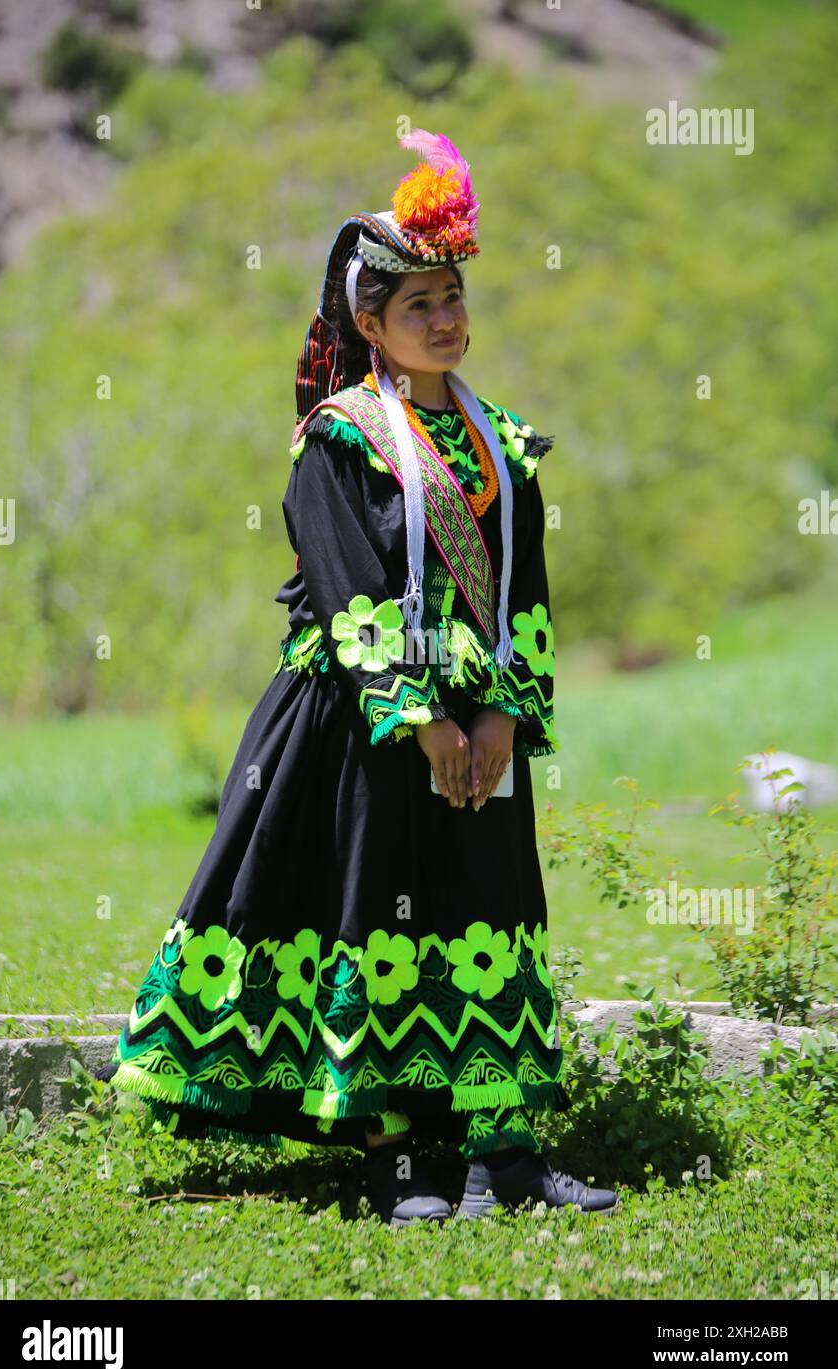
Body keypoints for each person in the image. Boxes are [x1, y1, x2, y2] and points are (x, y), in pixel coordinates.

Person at [103, 129, 619, 1224]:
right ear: (369, 326)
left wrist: (493, 715)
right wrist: (423, 716)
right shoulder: (337, 442)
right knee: (375, 929)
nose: (443, 317)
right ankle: (391, 1162)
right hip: (362, 725)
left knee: (489, 919)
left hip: (480, 731)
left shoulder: (498, 443)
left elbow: (525, 596)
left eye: (452, 296)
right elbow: (347, 593)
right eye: (416, 303)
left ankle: (500, 1154)